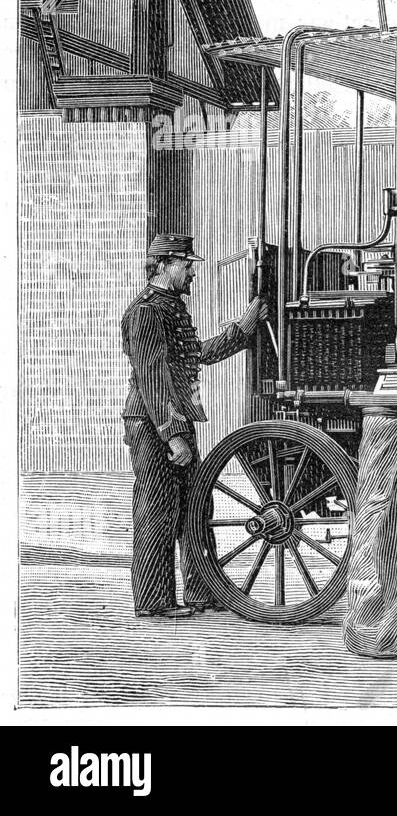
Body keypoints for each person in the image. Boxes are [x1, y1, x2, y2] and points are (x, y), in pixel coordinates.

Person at [122, 233, 267, 618]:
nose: (192, 274)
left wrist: (243, 329)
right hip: (153, 423)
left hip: (175, 420)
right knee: (158, 511)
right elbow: (153, 376)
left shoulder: (170, 307)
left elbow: (197, 354)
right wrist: (173, 435)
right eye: (187, 266)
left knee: (195, 510)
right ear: (166, 264)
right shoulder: (147, 311)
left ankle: (202, 593)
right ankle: (155, 601)